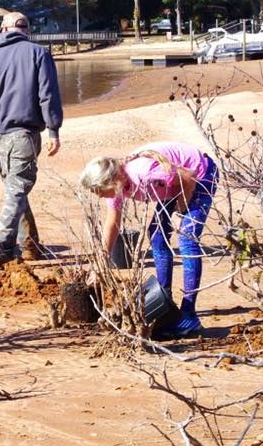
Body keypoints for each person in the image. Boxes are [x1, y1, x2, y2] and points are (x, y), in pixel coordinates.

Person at [78, 142, 219, 337]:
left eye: (100, 192)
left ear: (110, 181)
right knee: (156, 234)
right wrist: (99, 265)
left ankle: (189, 315)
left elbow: (186, 177)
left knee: (187, 240)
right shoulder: (118, 184)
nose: (101, 197)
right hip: (172, 182)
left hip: (199, 174)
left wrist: (182, 209)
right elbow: (113, 223)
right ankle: (165, 300)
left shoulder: (142, 173)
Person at [0, 11, 63, 268]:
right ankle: (0, 249)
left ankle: (29, 244)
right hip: (24, 134)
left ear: (3, 30)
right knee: (16, 190)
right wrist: (53, 130)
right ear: (26, 30)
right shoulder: (38, 54)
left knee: (15, 188)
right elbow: (48, 95)